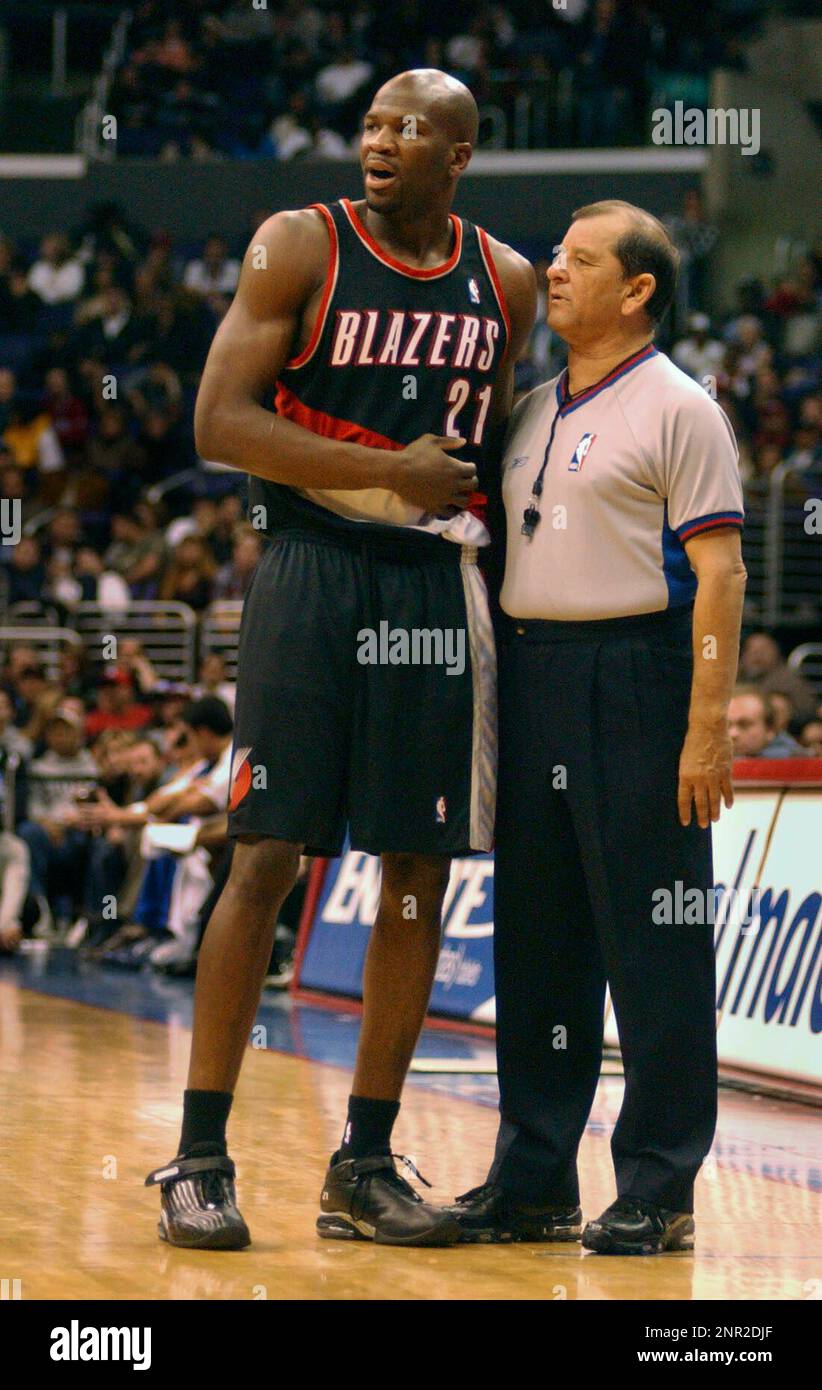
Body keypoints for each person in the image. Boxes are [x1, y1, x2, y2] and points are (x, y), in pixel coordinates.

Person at [144, 66, 536, 1250]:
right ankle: (198, 1157)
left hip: (434, 583)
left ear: (457, 154)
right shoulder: (299, 244)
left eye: (407, 128)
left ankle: (363, 1162)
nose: (379, 142)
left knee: (418, 867)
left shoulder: (507, 280)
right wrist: (384, 473)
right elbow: (219, 422)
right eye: (369, 123)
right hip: (309, 569)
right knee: (262, 855)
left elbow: (490, 447)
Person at [450, 201, 746, 1255]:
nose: (552, 271)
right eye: (554, 256)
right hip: (534, 674)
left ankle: (660, 1187)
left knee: (655, 941)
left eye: (579, 260)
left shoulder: (682, 408)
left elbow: (722, 575)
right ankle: (534, 1180)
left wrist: (705, 729)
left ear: (637, 290)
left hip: (639, 676)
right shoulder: (530, 407)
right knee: (539, 942)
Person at [728, 687, 807, 758]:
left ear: (770, 730)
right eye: (726, 726)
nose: (732, 734)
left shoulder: (795, 759)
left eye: (744, 725)